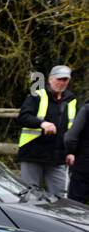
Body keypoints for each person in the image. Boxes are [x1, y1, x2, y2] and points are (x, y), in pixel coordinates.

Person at [16, 65, 77, 198]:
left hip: (57, 157)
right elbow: (23, 117)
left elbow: (73, 130)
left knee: (60, 198)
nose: (62, 83)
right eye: (59, 79)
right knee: (29, 195)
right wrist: (42, 123)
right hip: (33, 152)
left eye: (65, 80)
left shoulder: (71, 101)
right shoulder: (36, 95)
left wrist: (71, 151)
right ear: (50, 79)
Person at [64, 98, 89, 203]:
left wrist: (71, 152)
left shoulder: (86, 109)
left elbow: (70, 137)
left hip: (84, 165)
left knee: (75, 207)